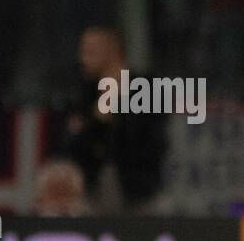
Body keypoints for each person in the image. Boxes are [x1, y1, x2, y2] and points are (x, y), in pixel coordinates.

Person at [54, 26, 169, 214]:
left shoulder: (146, 88)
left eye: (90, 52)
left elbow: (152, 143)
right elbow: (70, 145)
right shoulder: (83, 93)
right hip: (93, 192)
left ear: (112, 52)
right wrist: (97, 119)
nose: (82, 58)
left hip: (139, 194)